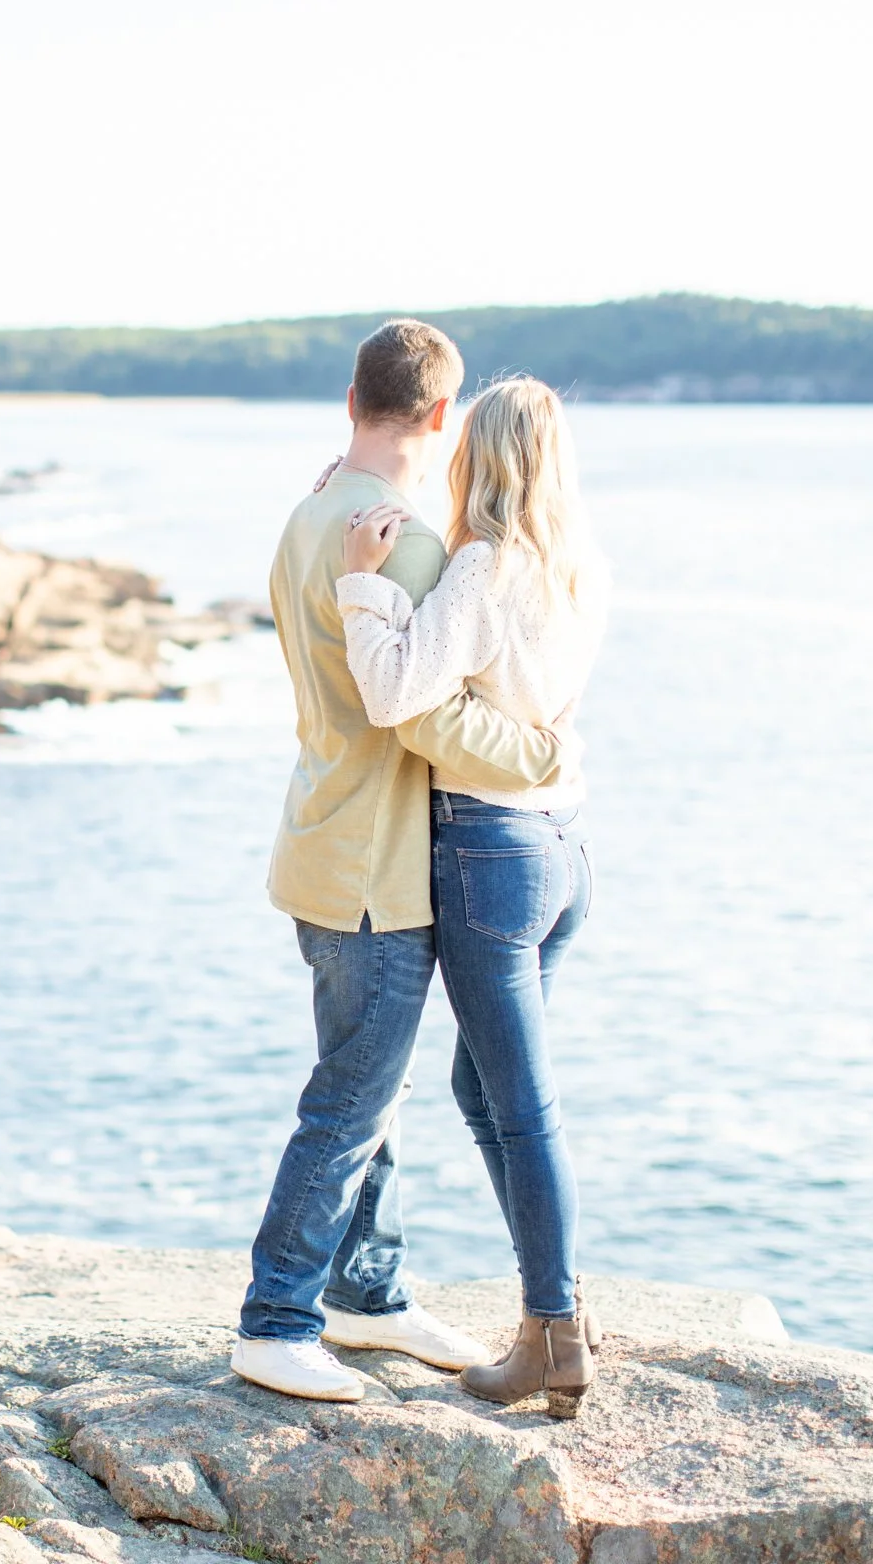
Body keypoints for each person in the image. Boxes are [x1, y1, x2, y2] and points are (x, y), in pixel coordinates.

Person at [231, 322, 580, 1403]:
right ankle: (277, 1315)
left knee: (368, 1086)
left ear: (351, 399)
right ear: (441, 418)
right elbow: (422, 718)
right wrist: (539, 752)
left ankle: (366, 1291)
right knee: (351, 1102)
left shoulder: (313, 513)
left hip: (322, 837)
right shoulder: (412, 546)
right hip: (381, 864)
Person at [335, 375, 609, 1418]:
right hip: (564, 852)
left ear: (476, 457)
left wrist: (365, 580)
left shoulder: (484, 570)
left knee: (522, 1103)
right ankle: (559, 1311)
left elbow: (399, 691)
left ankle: (554, 1327)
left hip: (488, 856)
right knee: (481, 1089)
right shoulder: (577, 565)